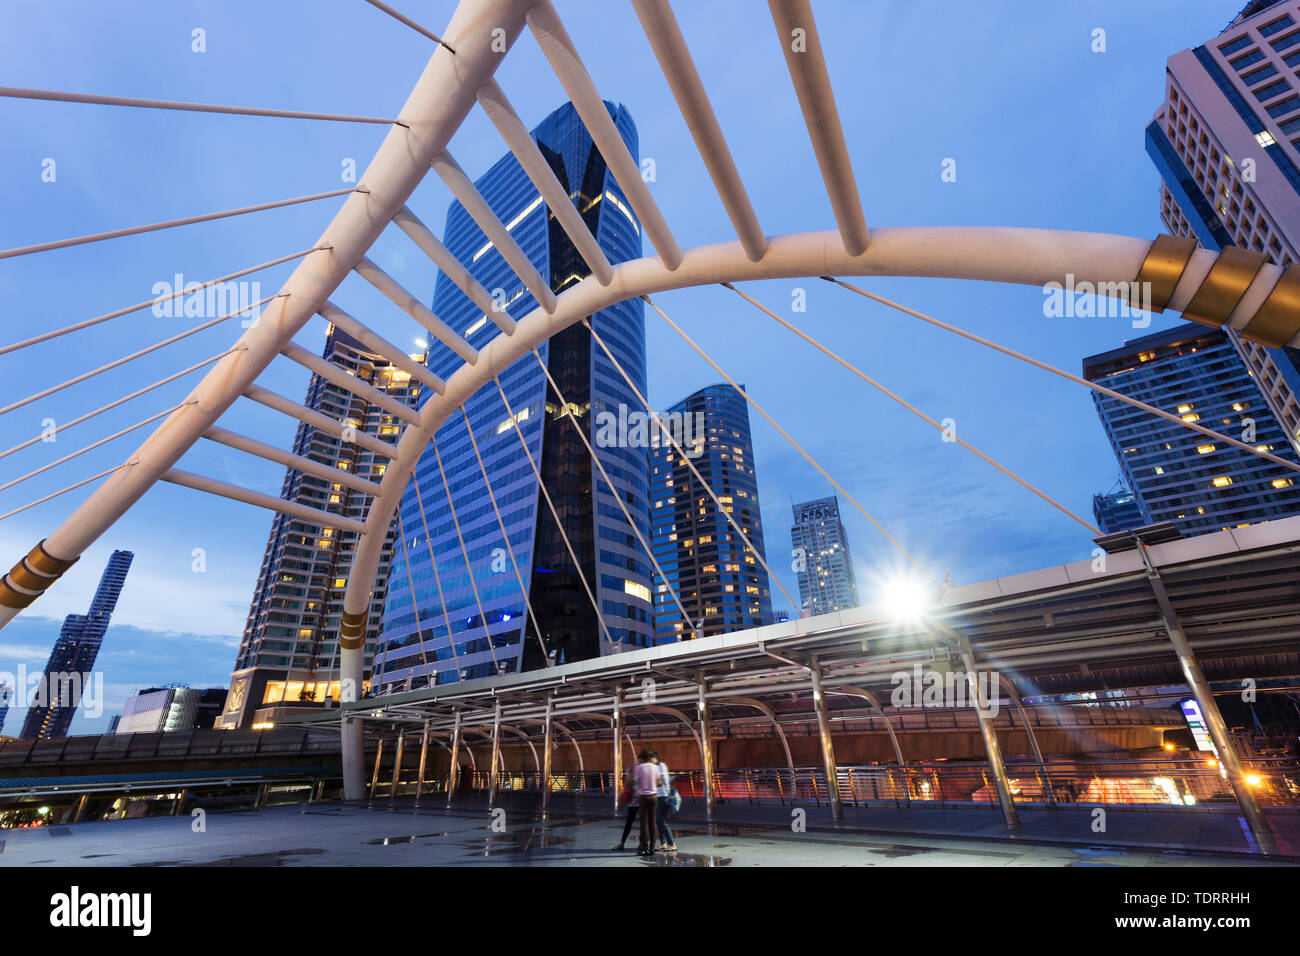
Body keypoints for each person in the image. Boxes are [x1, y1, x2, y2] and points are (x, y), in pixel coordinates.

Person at [631, 749, 662, 857]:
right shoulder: (655, 767)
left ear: (642, 758)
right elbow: (659, 782)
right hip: (653, 796)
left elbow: (636, 782)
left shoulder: (639, 768)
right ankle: (652, 847)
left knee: (643, 823)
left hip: (643, 797)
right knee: (652, 822)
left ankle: (644, 846)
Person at [652, 752, 677, 852]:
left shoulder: (661, 765)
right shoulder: (654, 767)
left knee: (662, 821)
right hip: (658, 796)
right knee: (658, 821)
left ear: (656, 758)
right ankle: (663, 843)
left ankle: (672, 844)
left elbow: (660, 781)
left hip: (663, 796)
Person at [613, 765, 639, 851]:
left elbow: (627, 783)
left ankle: (622, 843)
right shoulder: (639, 769)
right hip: (640, 800)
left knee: (629, 823)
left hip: (635, 801)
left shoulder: (632, 768)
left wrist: (621, 797)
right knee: (644, 824)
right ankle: (642, 844)